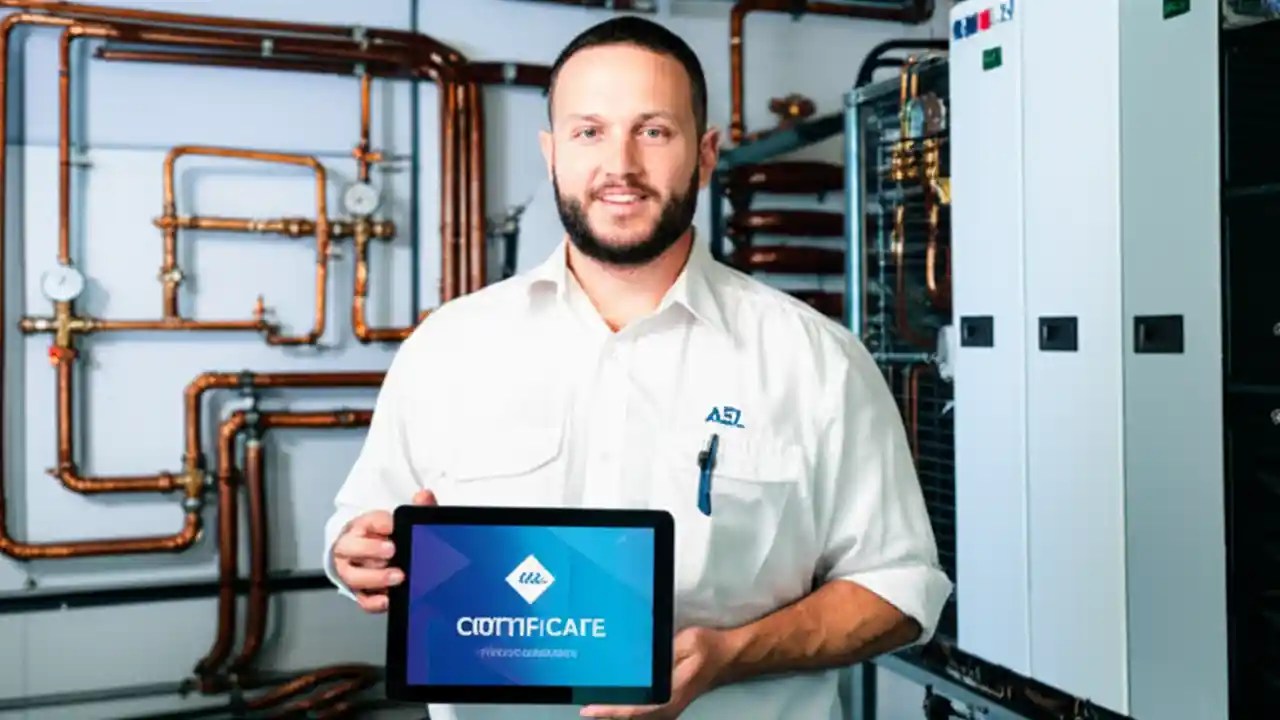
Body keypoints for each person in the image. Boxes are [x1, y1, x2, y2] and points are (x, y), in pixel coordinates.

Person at [323, 15, 951, 720]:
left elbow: (899, 591)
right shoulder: (448, 347)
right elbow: (362, 524)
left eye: (654, 130)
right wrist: (358, 555)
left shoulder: (815, 359)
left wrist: (732, 654)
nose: (619, 165)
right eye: (588, 131)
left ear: (705, 153)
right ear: (551, 151)